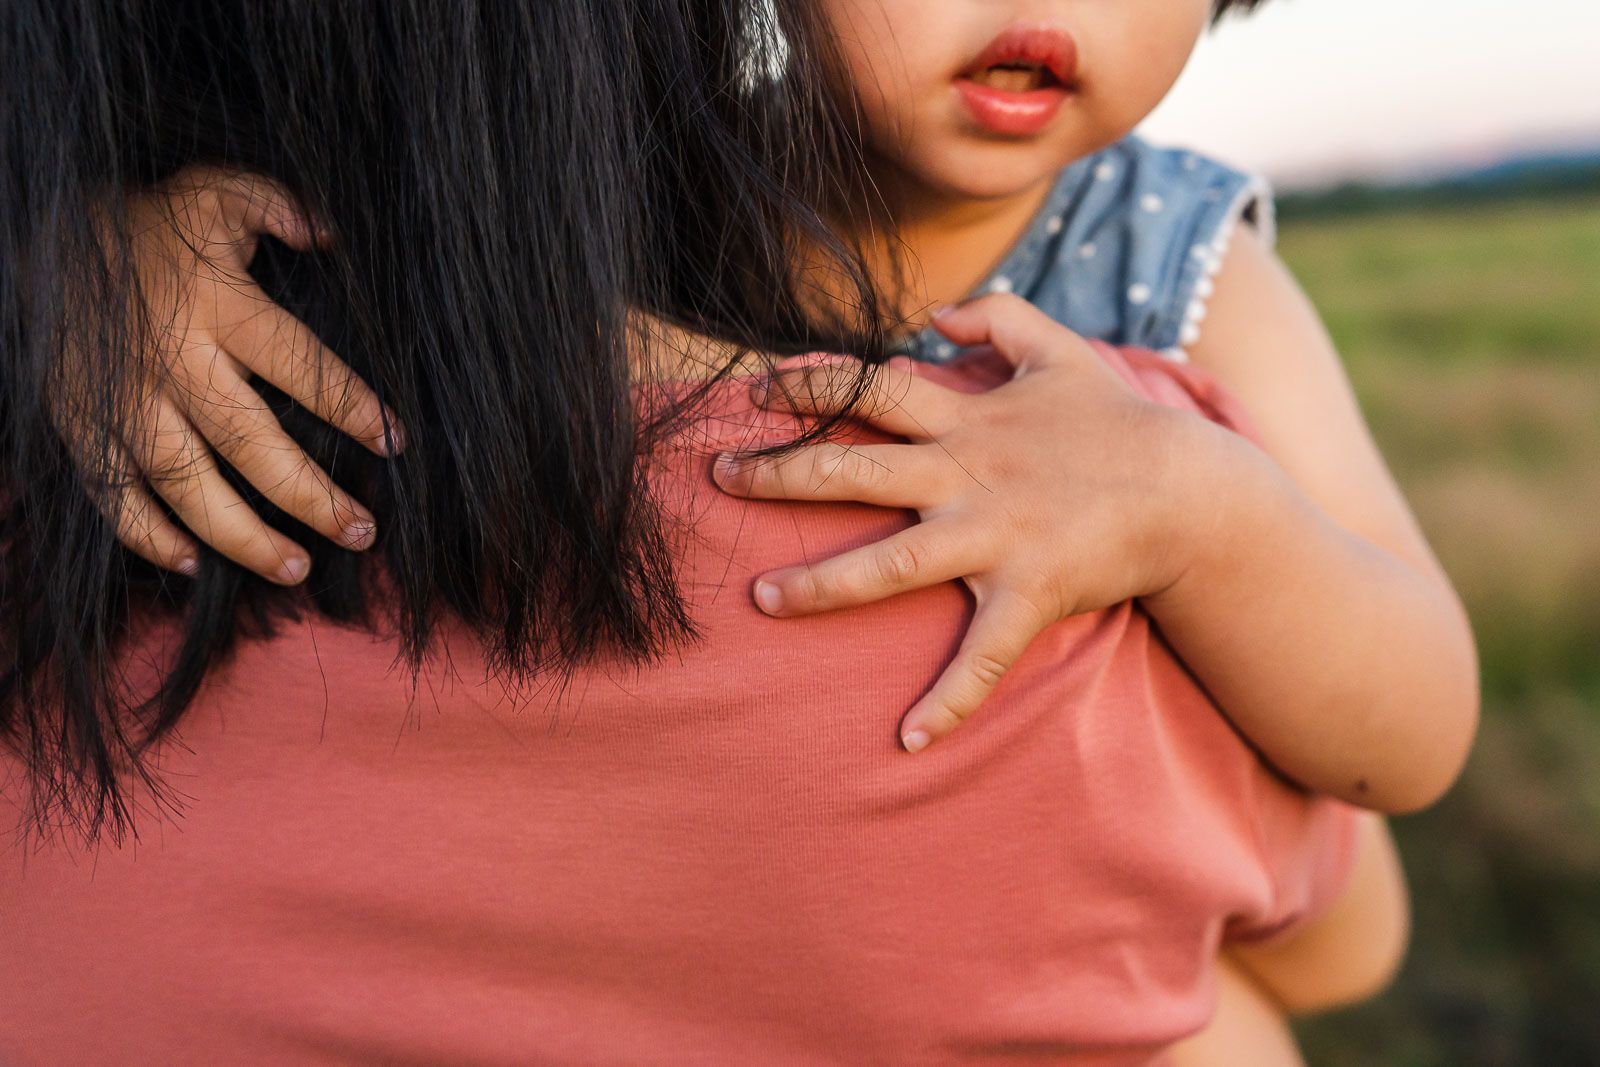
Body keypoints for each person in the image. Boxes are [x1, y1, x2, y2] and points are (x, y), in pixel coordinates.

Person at [1, 0, 1400, 1061]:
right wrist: (93, 251)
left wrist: (1200, 516)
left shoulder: (1188, 267)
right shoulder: (646, 186)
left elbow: (1413, 723)